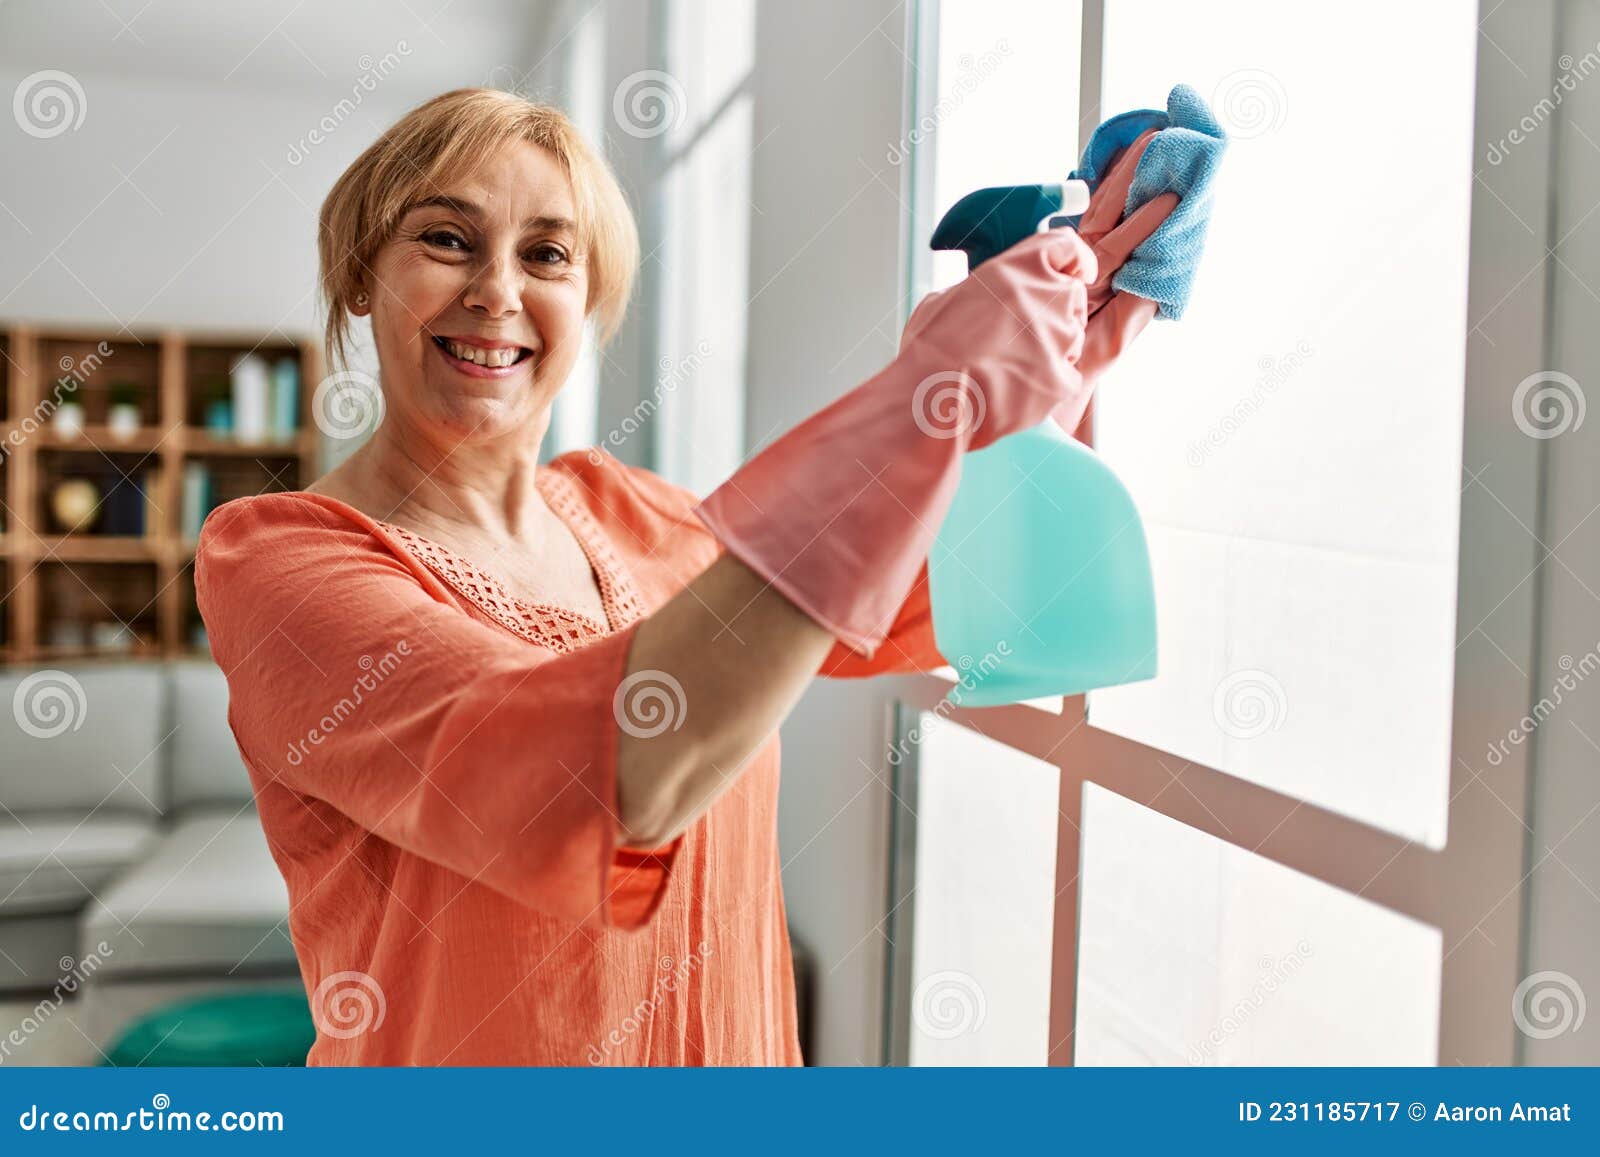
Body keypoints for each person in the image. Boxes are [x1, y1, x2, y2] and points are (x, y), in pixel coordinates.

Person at [195, 88, 1160, 1065]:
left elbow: (938, 588)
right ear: (362, 275)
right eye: (447, 239)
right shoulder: (281, 561)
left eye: (547, 253)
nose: (497, 291)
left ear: (587, 300)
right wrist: (925, 400)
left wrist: (1073, 355)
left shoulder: (631, 509)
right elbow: (605, 772)